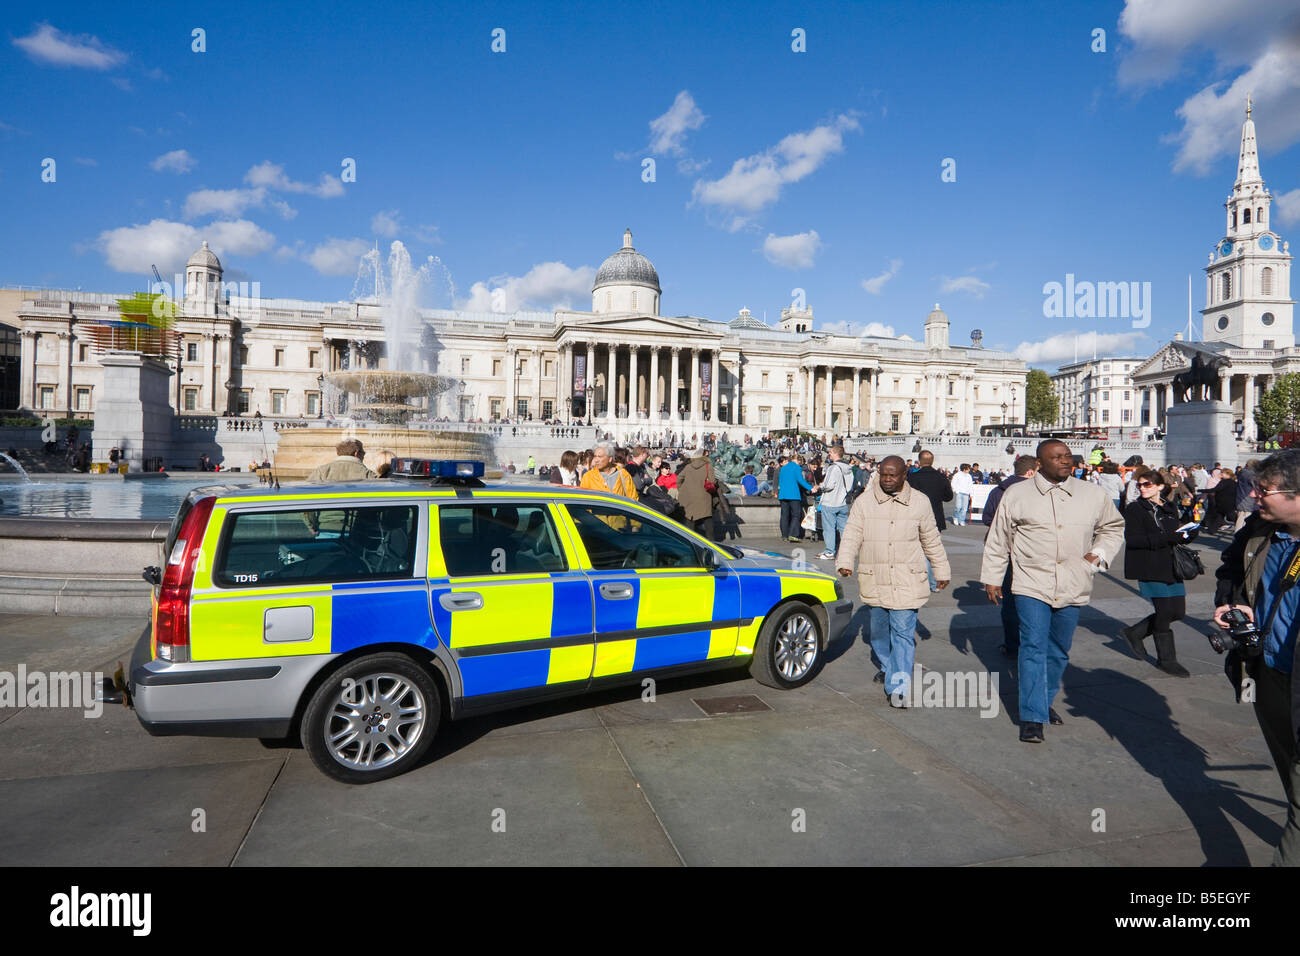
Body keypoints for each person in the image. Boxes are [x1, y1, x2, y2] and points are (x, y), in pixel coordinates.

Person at [980, 439, 1125, 743]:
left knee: (1058, 649)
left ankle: (1043, 701)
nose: (1065, 461)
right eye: (1056, 457)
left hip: (1074, 579)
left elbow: (1113, 527)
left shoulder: (1092, 493)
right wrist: (992, 578)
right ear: (1040, 463)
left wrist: (1098, 554)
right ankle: (1032, 716)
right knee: (1032, 645)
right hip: (1031, 581)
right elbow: (999, 539)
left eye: (1067, 456)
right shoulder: (1017, 495)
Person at [1212, 449, 1300, 865]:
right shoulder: (1260, 531)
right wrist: (1231, 603)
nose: (1254, 496)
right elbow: (1229, 572)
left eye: (1264, 490)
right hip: (1266, 672)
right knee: (1290, 773)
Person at [836, 456, 950, 707]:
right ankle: (888, 665)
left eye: (892, 475)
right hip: (875, 576)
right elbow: (852, 532)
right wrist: (845, 561)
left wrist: (941, 570)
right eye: (883, 474)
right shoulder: (864, 501)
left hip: (907, 578)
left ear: (904, 474)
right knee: (877, 634)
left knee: (902, 633)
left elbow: (931, 539)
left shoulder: (920, 502)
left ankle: (898, 685)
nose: (887, 480)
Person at [1120, 469, 1197, 676]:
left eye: (1147, 485)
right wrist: (1168, 538)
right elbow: (1133, 540)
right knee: (1164, 612)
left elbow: (1175, 534)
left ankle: (1134, 632)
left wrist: (1188, 534)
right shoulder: (1135, 509)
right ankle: (1167, 660)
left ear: (1160, 486)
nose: (1142, 488)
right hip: (1149, 565)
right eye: (1140, 485)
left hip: (1171, 564)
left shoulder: (1170, 507)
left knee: (1178, 612)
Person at [983, 454, 1038, 658]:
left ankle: (1012, 644)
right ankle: (1032, 643)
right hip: (1029, 552)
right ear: (1031, 472)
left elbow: (988, 517)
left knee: (1009, 601)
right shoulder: (1034, 493)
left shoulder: (998, 490)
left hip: (1003, 551)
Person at [907, 450, 954, 591]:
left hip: (915, 517)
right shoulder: (941, 477)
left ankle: (922, 581)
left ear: (919, 462)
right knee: (933, 551)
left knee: (918, 551)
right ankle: (933, 584)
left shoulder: (912, 477)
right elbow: (948, 497)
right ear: (932, 461)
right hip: (936, 518)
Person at [815, 445, 854, 560]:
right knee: (843, 528)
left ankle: (829, 552)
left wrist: (819, 487)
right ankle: (847, 551)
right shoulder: (848, 468)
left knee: (829, 529)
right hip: (843, 503)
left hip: (831, 502)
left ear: (835, 453)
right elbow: (850, 485)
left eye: (831, 452)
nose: (829, 454)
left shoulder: (833, 467)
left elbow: (828, 485)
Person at [677, 450, 718, 540]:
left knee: (689, 518)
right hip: (704, 496)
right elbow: (712, 481)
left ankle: (689, 540)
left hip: (689, 496)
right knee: (707, 519)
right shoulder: (708, 466)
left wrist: (682, 489)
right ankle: (712, 542)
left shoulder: (688, 467)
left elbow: (679, 479)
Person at [778, 452, 813, 542]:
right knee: (796, 515)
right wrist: (811, 488)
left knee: (784, 515)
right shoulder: (797, 467)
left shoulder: (783, 468)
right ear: (798, 461)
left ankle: (784, 535)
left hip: (783, 495)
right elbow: (800, 480)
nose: (800, 464)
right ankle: (793, 535)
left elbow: (780, 481)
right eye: (800, 462)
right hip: (793, 495)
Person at [307, 439, 376, 481]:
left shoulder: (321, 471)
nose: (364, 455)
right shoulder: (367, 474)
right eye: (363, 453)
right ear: (356, 453)